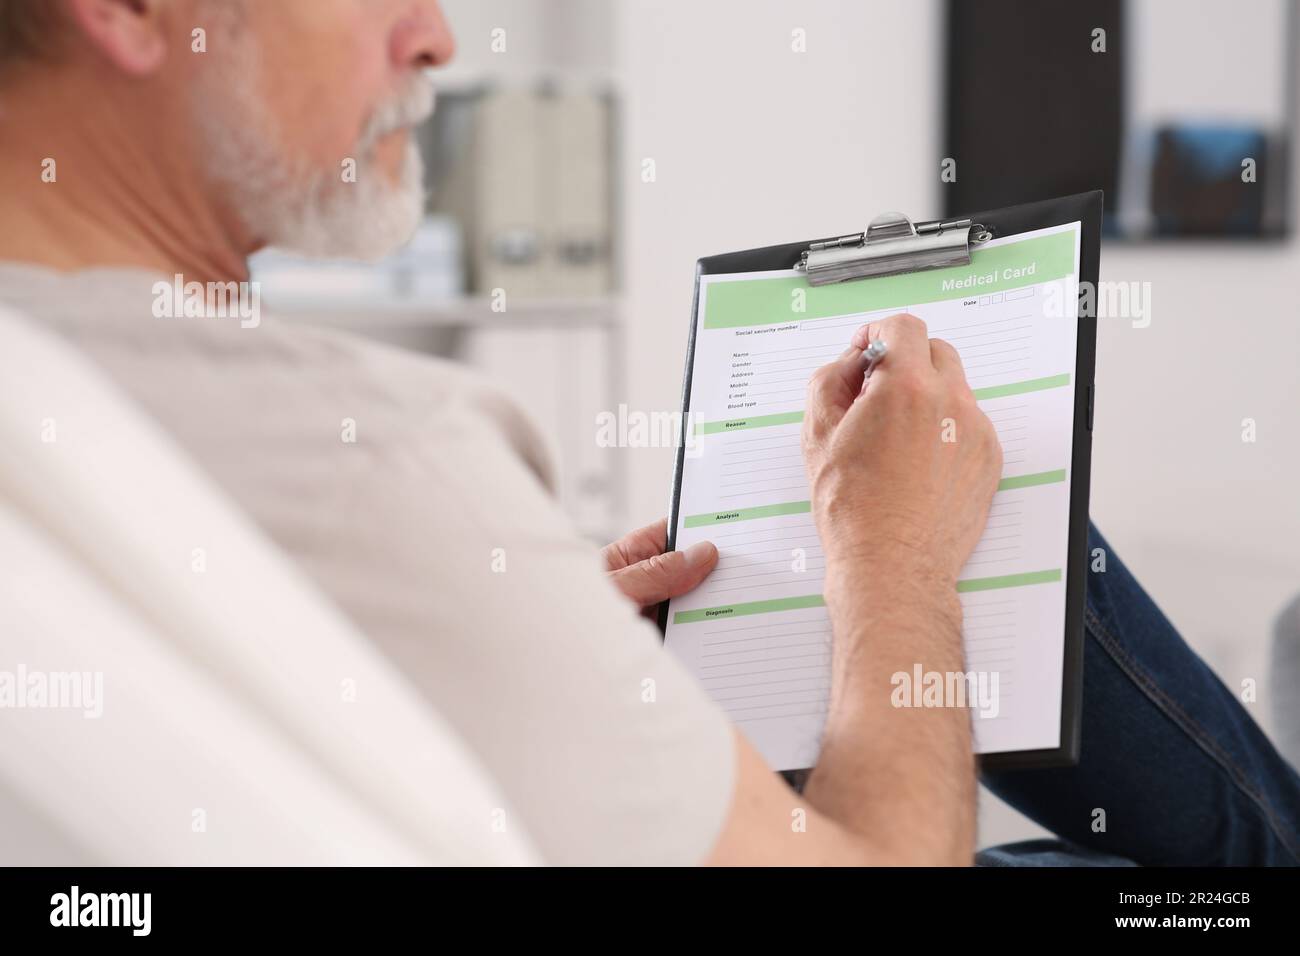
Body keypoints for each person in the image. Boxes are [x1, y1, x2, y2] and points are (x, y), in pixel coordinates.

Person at [0, 0, 1295, 866]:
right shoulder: (380, 449)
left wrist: (532, 652)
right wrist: (890, 567)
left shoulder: (66, 381)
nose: (437, 37)